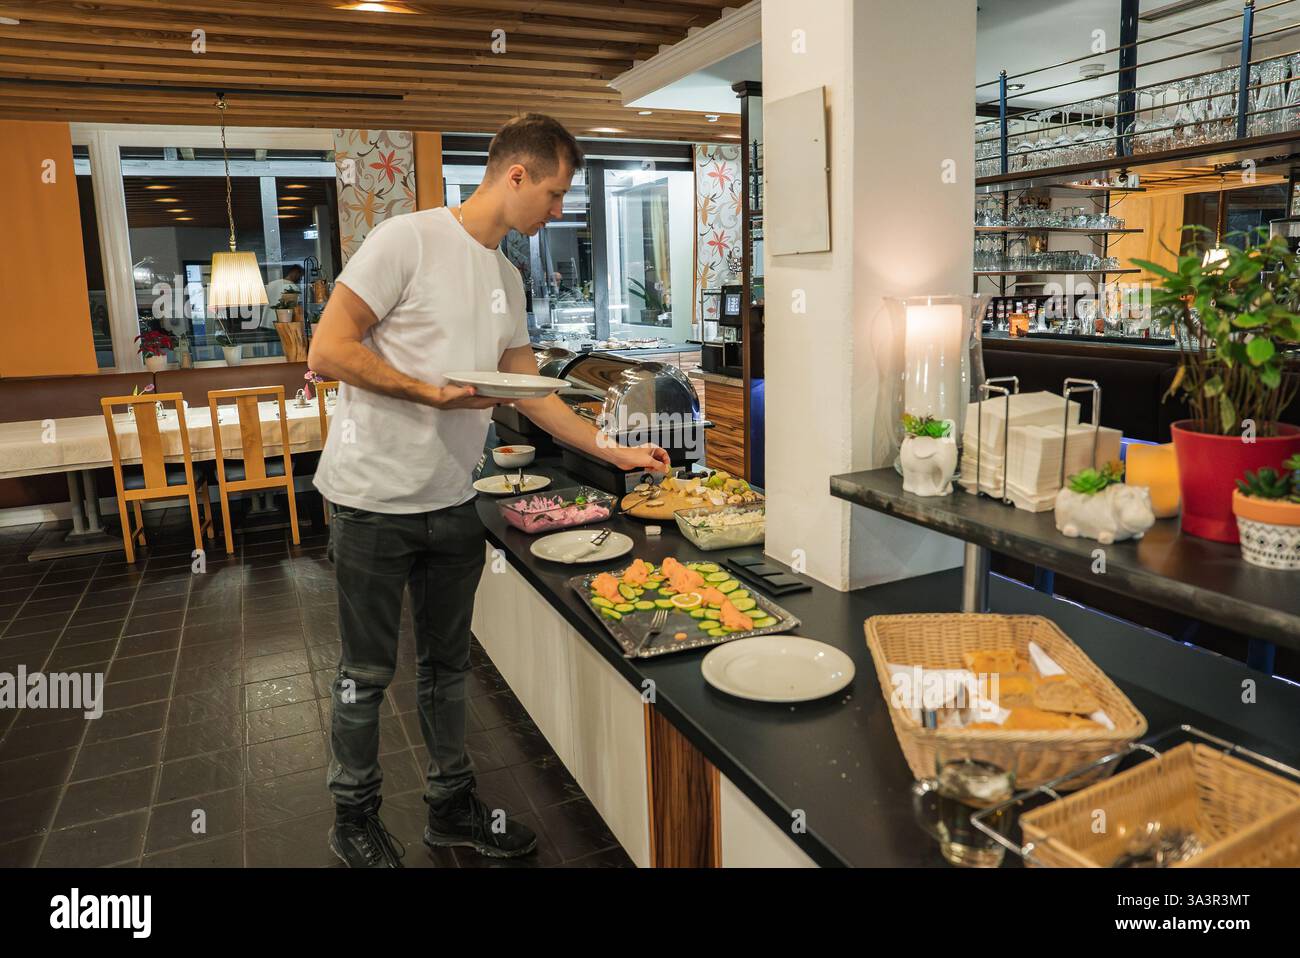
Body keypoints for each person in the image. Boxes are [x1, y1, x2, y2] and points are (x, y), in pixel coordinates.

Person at [307, 113, 670, 868]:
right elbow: (329, 347)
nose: (559, 210)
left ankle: (449, 807)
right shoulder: (405, 240)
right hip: (371, 498)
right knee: (364, 674)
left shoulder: (505, 277)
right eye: (557, 193)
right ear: (516, 176)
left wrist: (615, 450)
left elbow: (534, 393)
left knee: (447, 668)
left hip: (452, 500)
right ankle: (353, 817)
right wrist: (425, 394)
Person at [262, 264, 303, 330]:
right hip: (280, 324)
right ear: (295, 273)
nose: (300, 279)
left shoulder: (271, 284)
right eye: (300, 276)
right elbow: (295, 309)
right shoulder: (293, 288)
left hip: (266, 322)